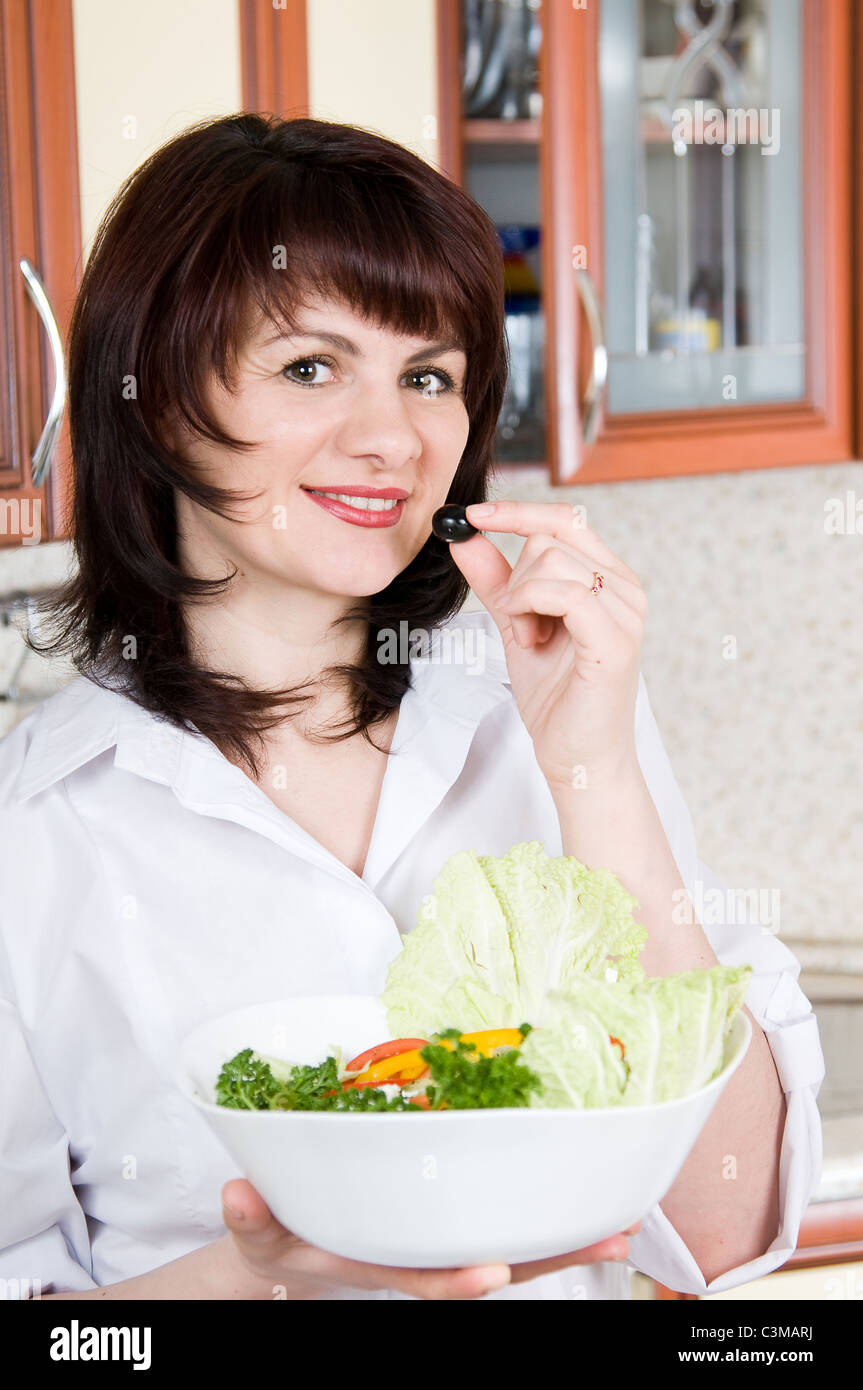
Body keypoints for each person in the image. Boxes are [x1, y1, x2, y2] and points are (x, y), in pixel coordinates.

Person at [0, 114, 824, 1301]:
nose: (390, 437)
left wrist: (591, 765)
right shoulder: (38, 825)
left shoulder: (545, 712)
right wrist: (256, 1270)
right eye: (308, 367)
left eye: (428, 375)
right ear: (158, 400)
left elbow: (730, 1224)